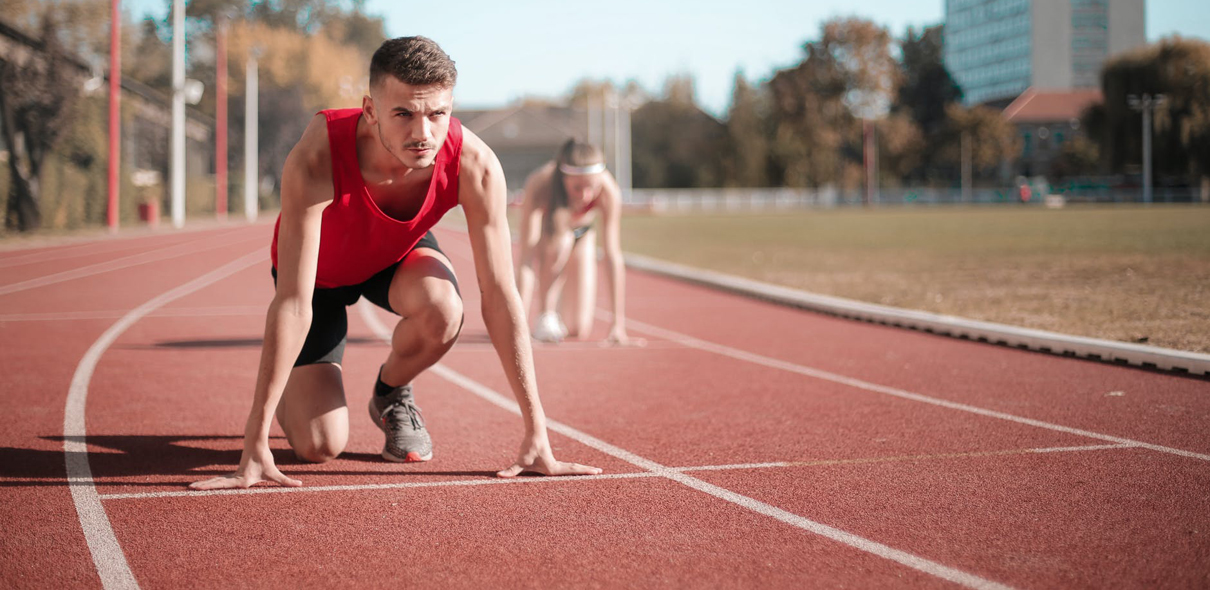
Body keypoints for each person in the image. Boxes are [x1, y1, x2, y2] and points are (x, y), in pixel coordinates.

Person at [191, 36, 600, 490]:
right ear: (370, 110)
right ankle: (291, 381)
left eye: (436, 114)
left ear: (451, 107)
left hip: (394, 256)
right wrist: (255, 440)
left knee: (446, 309)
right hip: (319, 278)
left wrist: (536, 432)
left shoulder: (475, 165)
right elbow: (292, 301)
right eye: (403, 113)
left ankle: (390, 394)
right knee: (319, 447)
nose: (422, 133)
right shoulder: (318, 154)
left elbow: (501, 296)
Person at [514, 140, 642, 345]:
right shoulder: (540, 184)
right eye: (577, 188)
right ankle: (546, 315)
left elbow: (612, 255)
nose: (585, 196)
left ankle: (560, 314)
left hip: (583, 234)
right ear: (563, 179)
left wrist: (617, 325)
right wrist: (516, 326)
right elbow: (526, 259)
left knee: (577, 329)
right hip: (551, 237)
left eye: (592, 187)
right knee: (561, 243)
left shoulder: (609, 190)